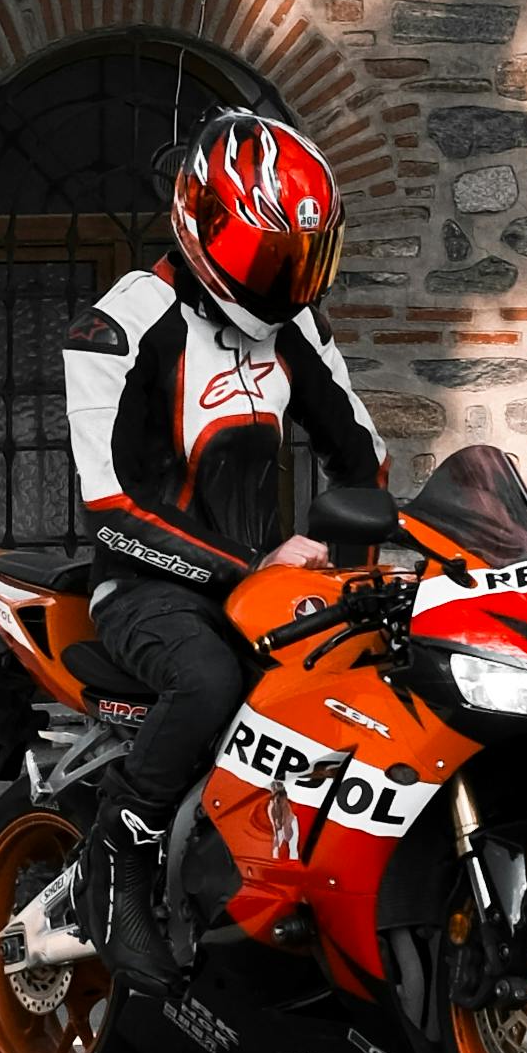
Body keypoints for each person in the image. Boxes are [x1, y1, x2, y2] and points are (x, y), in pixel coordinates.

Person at [61, 110, 384, 995]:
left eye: (299, 262)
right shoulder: (124, 323)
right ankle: (116, 859)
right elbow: (111, 507)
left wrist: (336, 543)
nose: (284, 282)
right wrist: (252, 568)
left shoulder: (294, 326)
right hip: (143, 589)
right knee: (208, 682)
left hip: (267, 587)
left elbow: (362, 458)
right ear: (202, 224)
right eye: (268, 257)